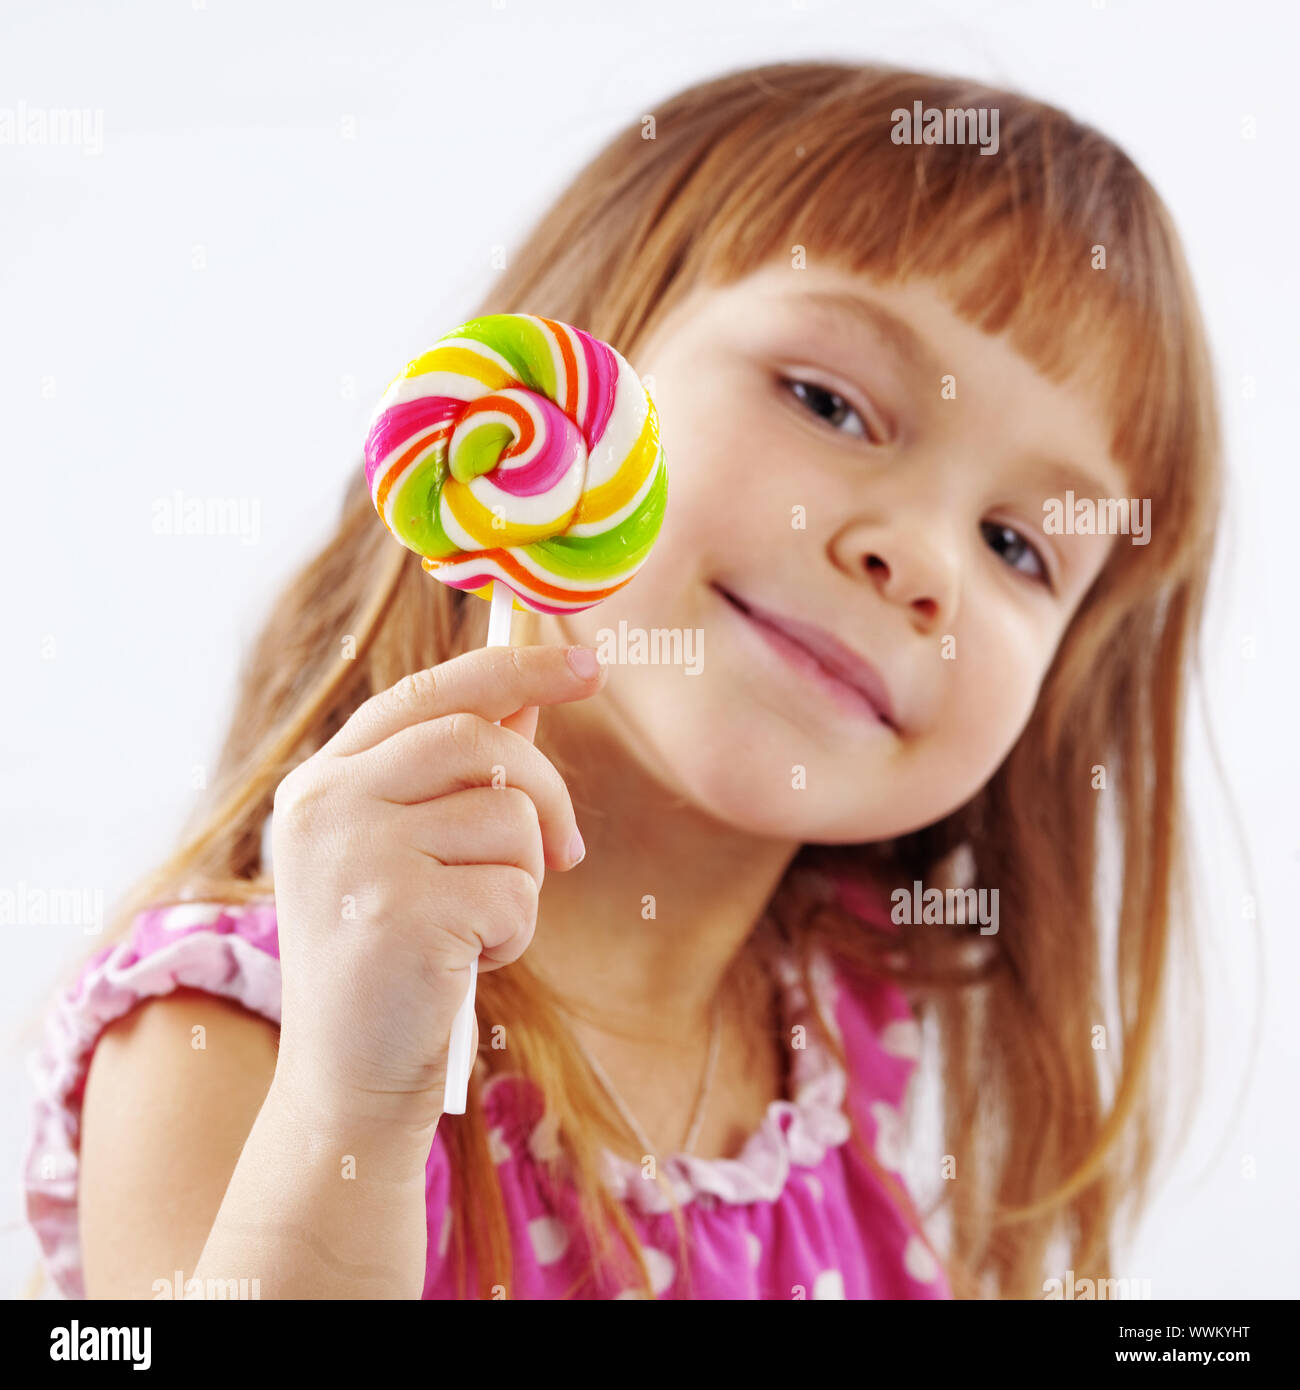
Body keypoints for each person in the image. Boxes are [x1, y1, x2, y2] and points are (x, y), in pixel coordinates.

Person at [23, 60, 1223, 1300]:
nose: (919, 558)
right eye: (829, 401)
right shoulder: (241, 1030)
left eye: (1018, 546)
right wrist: (358, 1102)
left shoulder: (861, 1031)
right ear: (563, 390)